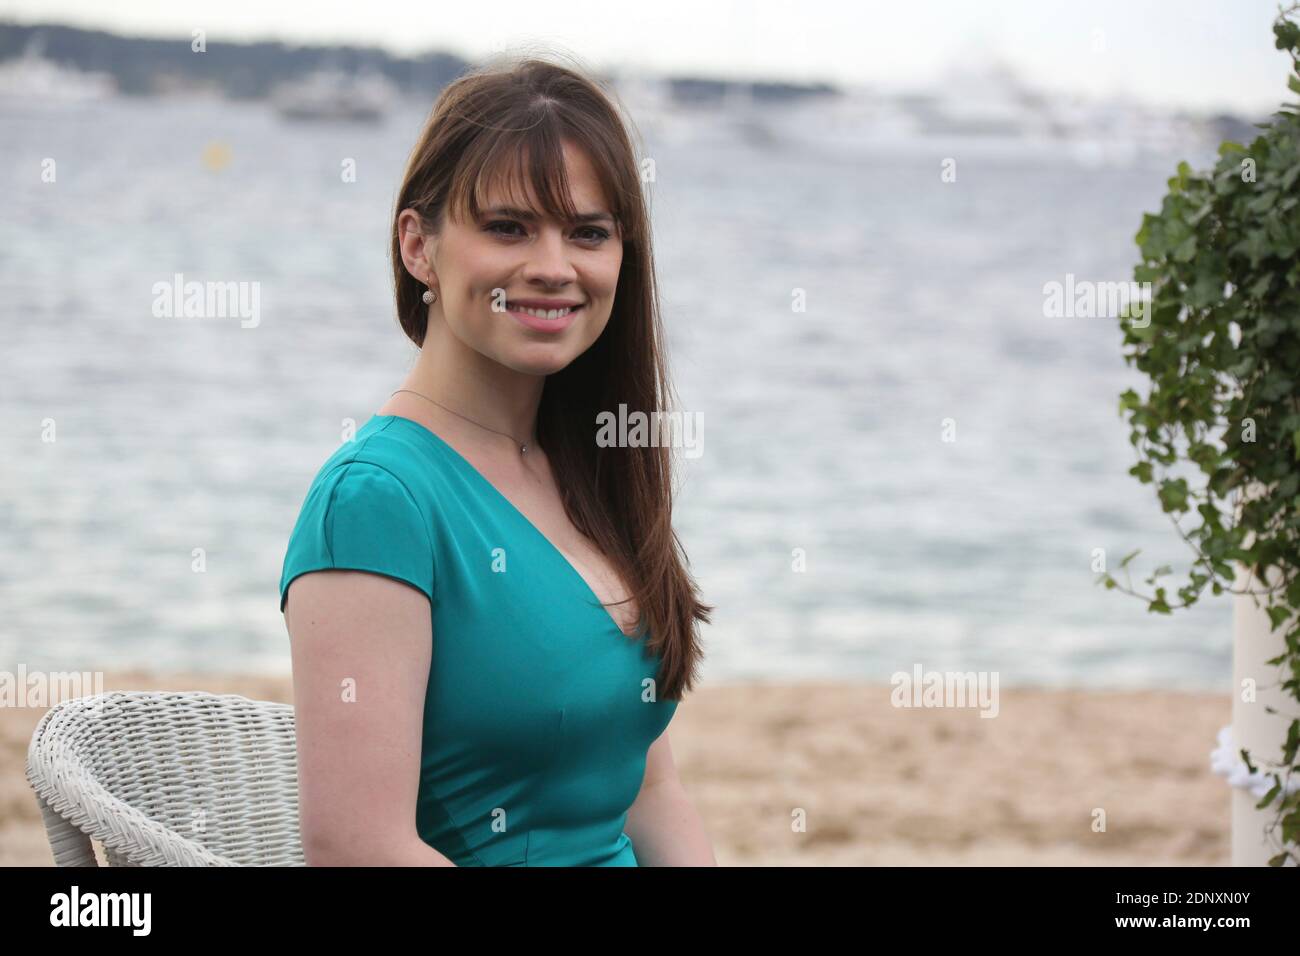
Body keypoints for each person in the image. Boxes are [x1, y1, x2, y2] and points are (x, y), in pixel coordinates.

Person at [279, 53, 716, 866]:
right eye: (509, 227)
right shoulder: (376, 501)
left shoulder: (592, 468)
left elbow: (651, 791)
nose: (554, 265)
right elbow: (356, 849)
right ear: (419, 247)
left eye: (588, 232)